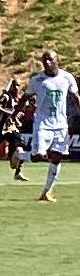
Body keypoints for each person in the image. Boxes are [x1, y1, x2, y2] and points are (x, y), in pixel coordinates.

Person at [25, 49, 79, 202]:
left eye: (50, 60)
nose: (47, 63)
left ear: (57, 61)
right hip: (42, 123)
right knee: (38, 156)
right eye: (44, 60)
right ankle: (20, 155)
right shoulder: (37, 80)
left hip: (60, 124)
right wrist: (15, 115)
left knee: (57, 157)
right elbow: (25, 98)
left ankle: (46, 192)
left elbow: (75, 97)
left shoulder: (67, 78)